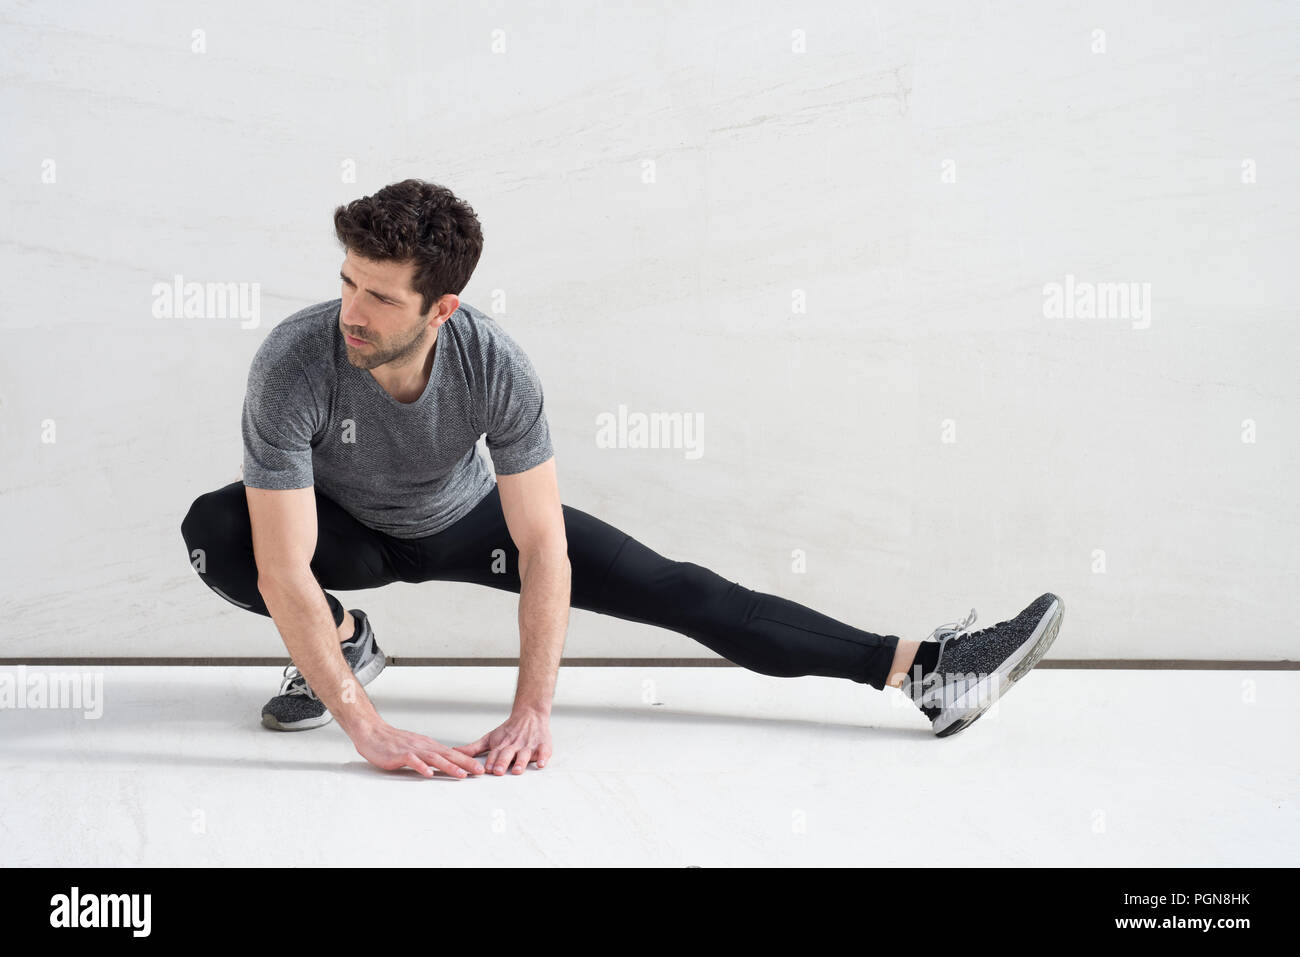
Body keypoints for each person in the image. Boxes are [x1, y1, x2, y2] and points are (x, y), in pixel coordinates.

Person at [180, 179, 1064, 779]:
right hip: (349, 532)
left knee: (684, 590)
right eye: (346, 283)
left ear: (441, 308)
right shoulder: (297, 362)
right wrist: (364, 726)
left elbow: (540, 543)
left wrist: (533, 709)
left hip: (467, 522)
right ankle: (344, 643)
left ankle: (924, 671)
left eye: (378, 297)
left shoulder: (494, 364)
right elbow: (284, 565)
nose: (350, 313)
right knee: (219, 532)